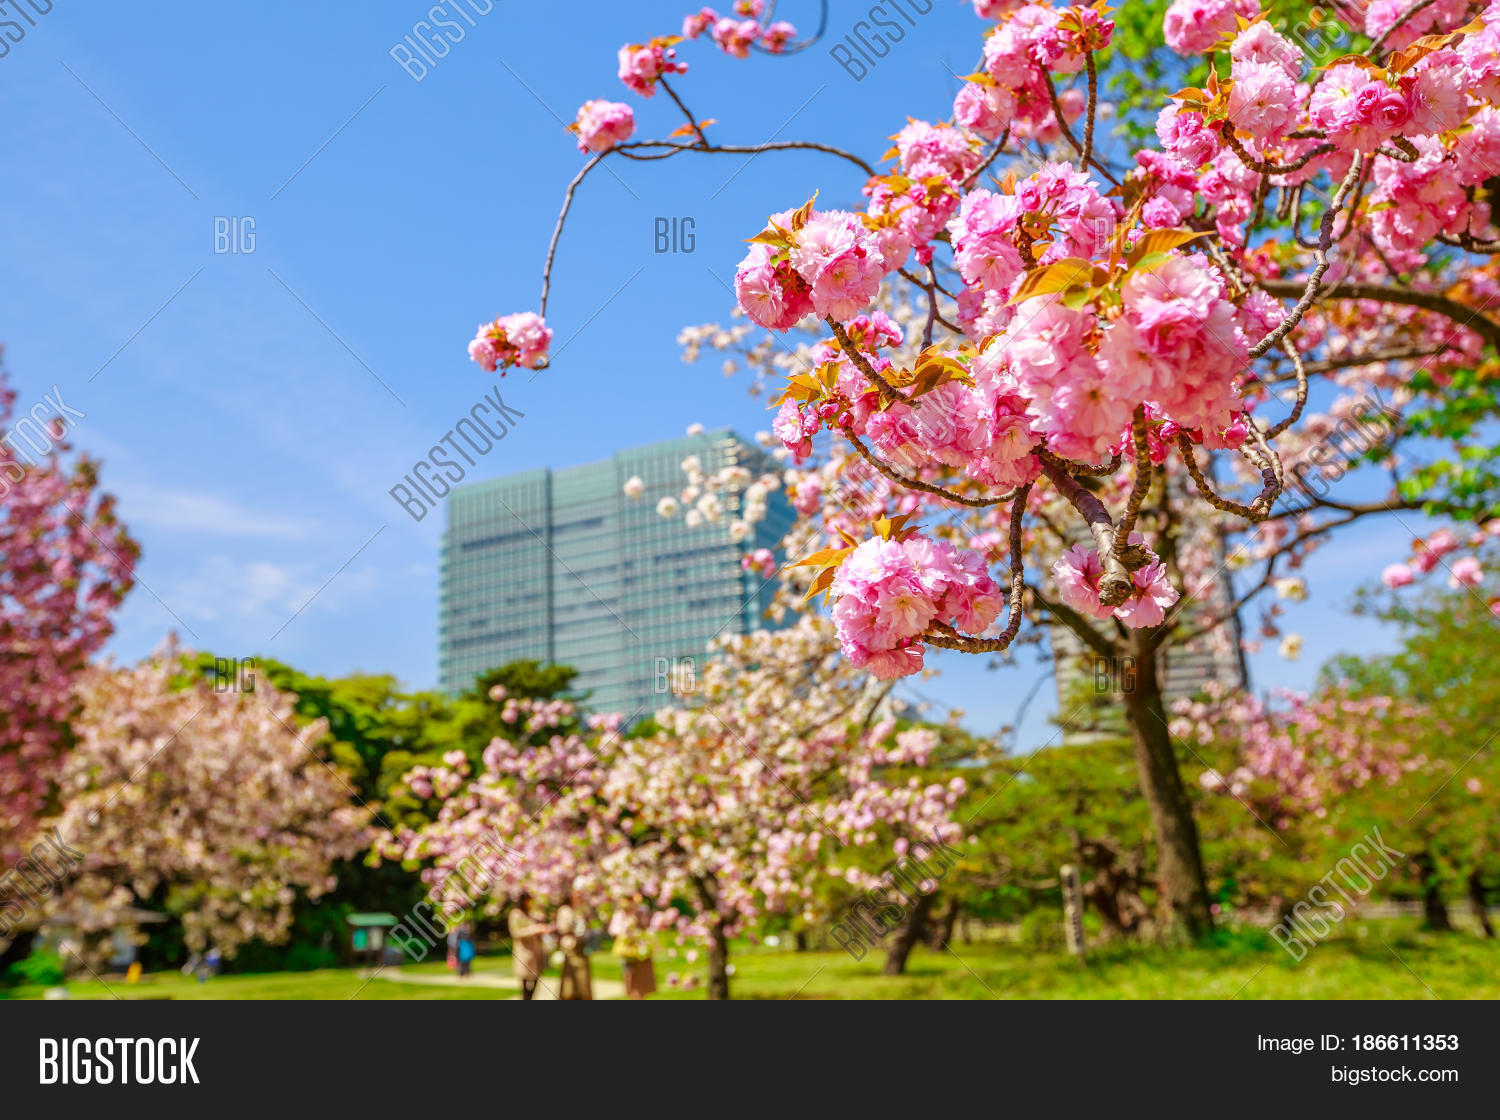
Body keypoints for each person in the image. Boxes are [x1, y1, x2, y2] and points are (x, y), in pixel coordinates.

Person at [609, 900, 657, 1000]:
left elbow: (649, 927)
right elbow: (613, 930)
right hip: (629, 953)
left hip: (642, 951)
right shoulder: (620, 915)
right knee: (631, 980)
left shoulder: (642, 911)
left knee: (643, 982)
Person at [507, 893, 549, 1001]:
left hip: (535, 953)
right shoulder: (516, 914)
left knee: (535, 979)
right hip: (524, 953)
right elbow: (515, 932)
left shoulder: (531, 914)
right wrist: (534, 929)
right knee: (526, 982)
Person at [554, 890, 593, 1000]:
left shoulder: (582, 909)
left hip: (582, 946)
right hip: (570, 947)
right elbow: (562, 927)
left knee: (583, 978)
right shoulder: (565, 910)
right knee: (570, 980)